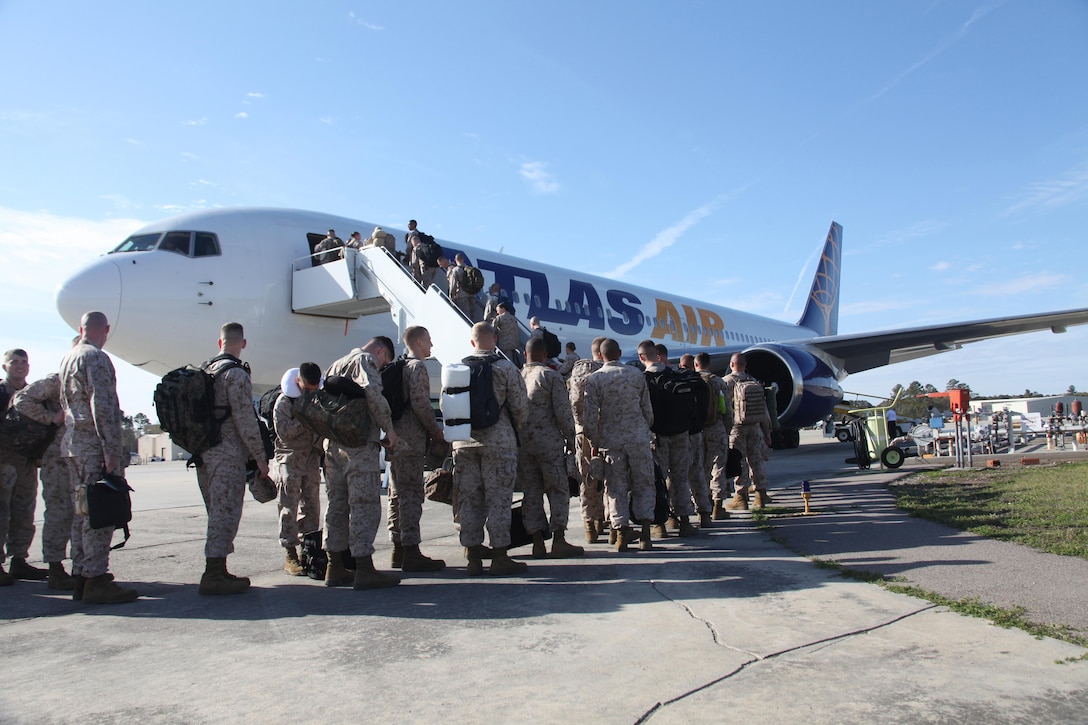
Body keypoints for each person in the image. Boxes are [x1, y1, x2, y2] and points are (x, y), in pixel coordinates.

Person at [57, 312, 138, 603]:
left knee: (82, 512)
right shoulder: (96, 358)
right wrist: (111, 451)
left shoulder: (69, 358)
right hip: (93, 446)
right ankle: (96, 579)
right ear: (106, 329)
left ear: (81, 328)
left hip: (73, 445)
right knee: (100, 512)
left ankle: (81, 575)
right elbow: (102, 404)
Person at [195, 322, 270, 595]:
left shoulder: (206, 370)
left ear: (219, 343)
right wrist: (259, 457)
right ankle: (214, 573)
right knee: (225, 514)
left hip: (203, 453)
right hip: (226, 455)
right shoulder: (235, 374)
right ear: (244, 343)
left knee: (215, 512)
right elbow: (245, 420)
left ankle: (218, 568)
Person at [323, 336, 402, 590]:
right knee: (364, 505)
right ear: (380, 351)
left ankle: (334, 566)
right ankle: (364, 568)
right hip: (358, 446)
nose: (381, 366)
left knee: (337, 505)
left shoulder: (336, 364)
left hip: (334, 446)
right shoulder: (365, 360)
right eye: (384, 361)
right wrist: (388, 429)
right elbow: (374, 395)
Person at [454, 322, 530, 576]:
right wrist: (514, 430)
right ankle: (499, 556)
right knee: (498, 499)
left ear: (471, 342)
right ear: (495, 339)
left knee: (470, 499)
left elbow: (447, 407)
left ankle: (473, 557)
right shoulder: (506, 368)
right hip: (498, 441)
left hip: (464, 442)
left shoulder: (456, 369)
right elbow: (520, 407)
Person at [583, 338, 656, 552]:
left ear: (601, 355)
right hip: (638, 439)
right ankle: (645, 534)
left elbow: (589, 419)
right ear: (620, 352)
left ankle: (621, 535)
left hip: (610, 441)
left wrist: (594, 442)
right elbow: (647, 411)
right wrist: (643, 430)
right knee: (644, 483)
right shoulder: (636, 375)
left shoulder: (595, 379)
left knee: (615, 488)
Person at [387, 326, 446, 573]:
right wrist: (435, 431)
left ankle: (397, 548)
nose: (431, 345)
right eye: (429, 340)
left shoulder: (399, 367)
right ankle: (411, 551)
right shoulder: (418, 368)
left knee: (396, 493)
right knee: (411, 494)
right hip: (412, 440)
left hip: (396, 438)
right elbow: (421, 404)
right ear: (419, 342)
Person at [519, 337, 581, 559]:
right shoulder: (550, 376)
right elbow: (564, 414)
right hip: (548, 444)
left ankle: (537, 541)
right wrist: (572, 441)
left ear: (525, 354)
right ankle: (558, 539)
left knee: (531, 491)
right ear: (544, 355)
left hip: (524, 445)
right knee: (557, 489)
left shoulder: (516, 376)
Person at [11, 373, 74, 589]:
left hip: (81, 456)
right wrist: (51, 418)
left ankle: (82, 570)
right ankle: (56, 568)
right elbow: (21, 399)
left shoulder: (92, 378)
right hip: (57, 458)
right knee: (59, 511)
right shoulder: (58, 380)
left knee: (82, 514)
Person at [639, 340, 697, 537]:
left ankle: (659, 524)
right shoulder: (675, 375)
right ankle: (685, 522)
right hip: (680, 433)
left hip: (657, 436)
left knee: (657, 480)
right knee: (680, 478)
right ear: (658, 354)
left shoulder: (643, 379)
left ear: (641, 357)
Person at [0, 348, 48, 584]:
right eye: (14, 362)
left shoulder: (33, 394)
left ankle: (19, 560)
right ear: (5, 367)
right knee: (1, 512)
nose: (20, 365)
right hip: (3, 462)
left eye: (24, 362)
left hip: (26, 463)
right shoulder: (1, 393)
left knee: (24, 511)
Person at [273, 363, 324, 576]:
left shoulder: (317, 399)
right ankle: (290, 553)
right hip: (290, 458)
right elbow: (284, 432)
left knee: (312, 505)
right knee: (288, 506)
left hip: (310, 458)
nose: (310, 392)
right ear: (298, 381)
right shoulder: (284, 402)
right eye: (307, 388)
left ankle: (309, 550)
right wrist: (304, 416)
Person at [568, 336, 607, 543]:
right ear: (603, 353)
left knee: (587, 479)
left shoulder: (576, 372)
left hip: (582, 432)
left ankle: (589, 526)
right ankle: (608, 522)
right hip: (607, 431)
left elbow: (573, 403)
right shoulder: (606, 372)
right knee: (610, 480)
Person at [724, 352, 773, 510]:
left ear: (732, 365)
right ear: (745, 366)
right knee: (756, 460)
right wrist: (767, 432)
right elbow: (764, 411)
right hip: (755, 427)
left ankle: (741, 496)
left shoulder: (726, 383)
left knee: (740, 461)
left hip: (736, 428)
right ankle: (761, 494)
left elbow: (722, 408)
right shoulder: (754, 382)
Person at [695, 353, 732, 521]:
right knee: (718, 467)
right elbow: (727, 410)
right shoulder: (719, 382)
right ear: (709, 364)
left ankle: (703, 505)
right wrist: (728, 428)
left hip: (697, 430)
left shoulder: (690, 380)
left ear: (696, 364)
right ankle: (718, 506)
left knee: (699, 468)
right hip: (716, 427)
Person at [447, 252, 478, 320]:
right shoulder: (471, 269)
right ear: (463, 259)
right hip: (472, 295)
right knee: (472, 315)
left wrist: (451, 296)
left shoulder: (456, 270)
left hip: (462, 295)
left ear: (455, 260)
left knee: (465, 316)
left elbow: (453, 284)